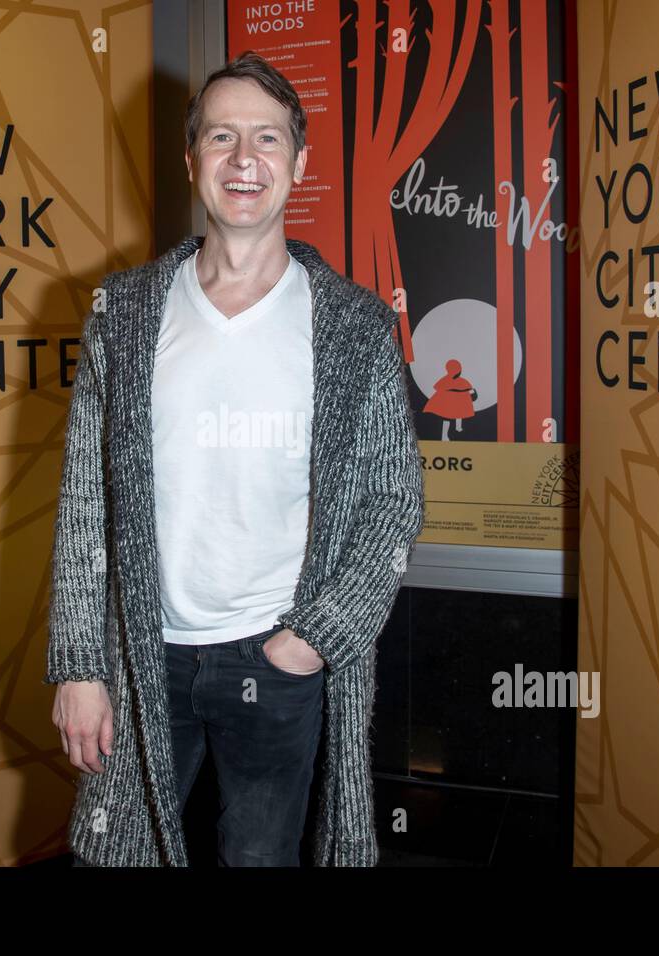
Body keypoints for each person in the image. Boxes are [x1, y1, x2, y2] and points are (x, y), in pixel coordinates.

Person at [46, 50, 424, 866]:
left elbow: (394, 504)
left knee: (260, 859)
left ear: (299, 162)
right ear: (192, 160)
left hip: (277, 656)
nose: (245, 160)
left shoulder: (356, 328)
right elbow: (84, 500)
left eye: (268, 139)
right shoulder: (126, 310)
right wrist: (80, 666)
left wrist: (314, 638)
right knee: (111, 855)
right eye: (222, 137)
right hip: (144, 656)